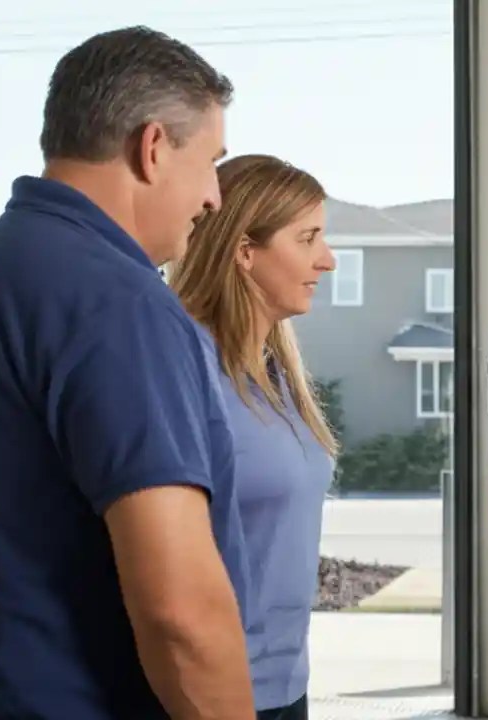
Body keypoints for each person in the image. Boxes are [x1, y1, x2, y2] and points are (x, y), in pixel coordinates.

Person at [0, 26, 255, 720]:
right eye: (211, 161)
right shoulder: (117, 302)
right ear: (152, 147)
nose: (215, 195)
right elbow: (180, 612)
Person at [169, 154, 339, 720]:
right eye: (308, 237)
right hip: (215, 693)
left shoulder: (277, 372)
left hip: (286, 682)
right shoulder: (182, 368)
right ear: (245, 252)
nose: (328, 259)